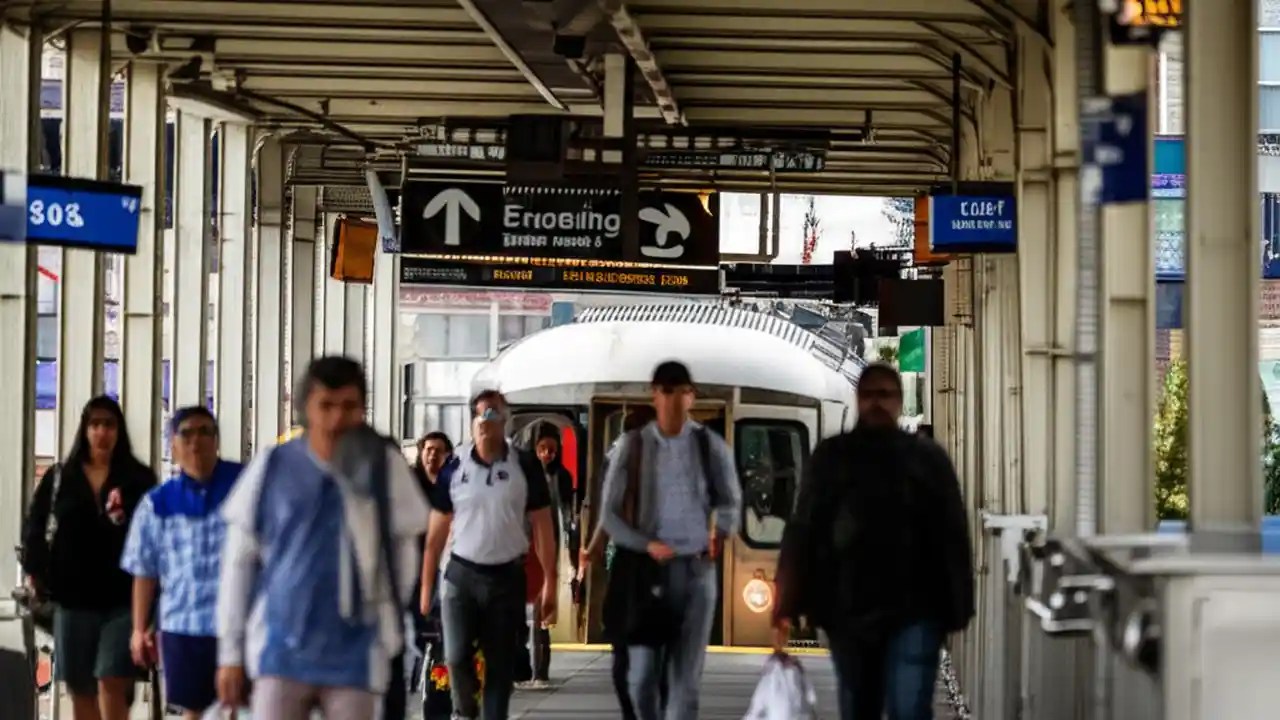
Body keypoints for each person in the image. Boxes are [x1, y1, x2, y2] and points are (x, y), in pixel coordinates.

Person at [215, 356, 430, 719]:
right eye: (325, 406)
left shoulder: (383, 466)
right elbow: (239, 564)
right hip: (281, 646)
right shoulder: (272, 467)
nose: (335, 419)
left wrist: (384, 611)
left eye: (348, 407)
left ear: (363, 409)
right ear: (305, 408)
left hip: (355, 649)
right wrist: (230, 655)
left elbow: (405, 550)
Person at [771, 363, 975, 720]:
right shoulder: (832, 459)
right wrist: (786, 602)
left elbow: (952, 534)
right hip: (849, 610)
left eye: (884, 395)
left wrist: (958, 605)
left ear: (898, 402)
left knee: (907, 708)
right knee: (860, 707)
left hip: (916, 608)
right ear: (858, 399)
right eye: (869, 395)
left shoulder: (927, 461)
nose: (876, 403)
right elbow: (803, 530)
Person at [599, 361, 742, 720]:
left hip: (696, 572)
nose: (673, 399)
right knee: (641, 677)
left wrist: (720, 530)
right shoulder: (633, 446)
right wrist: (646, 544)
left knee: (684, 683)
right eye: (665, 390)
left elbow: (730, 499)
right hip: (649, 573)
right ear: (654, 395)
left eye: (680, 391)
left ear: (690, 397)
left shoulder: (710, 446)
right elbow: (609, 515)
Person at [419, 389, 558, 720]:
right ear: (471, 423)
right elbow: (435, 534)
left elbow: (543, 528)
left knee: (499, 667)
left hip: (506, 578)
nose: (486, 421)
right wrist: (426, 586)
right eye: (480, 414)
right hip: (460, 577)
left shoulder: (524, 465)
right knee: (454, 656)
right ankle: (464, 712)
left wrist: (551, 583)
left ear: (504, 421)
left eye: (493, 413)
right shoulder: (455, 467)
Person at [20, 395, 157, 720]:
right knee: (80, 687)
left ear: (119, 431)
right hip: (73, 600)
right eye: (94, 424)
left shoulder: (137, 480)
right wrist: (35, 570)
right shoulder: (60, 479)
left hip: (122, 599)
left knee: (112, 677)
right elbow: (35, 526)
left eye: (108, 424)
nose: (101, 432)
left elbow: (154, 536)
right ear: (84, 430)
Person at [120, 407, 242, 720]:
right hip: (183, 626)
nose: (196, 441)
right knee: (194, 711)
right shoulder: (157, 503)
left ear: (216, 440)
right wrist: (138, 628)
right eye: (186, 433)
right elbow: (144, 570)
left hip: (239, 625)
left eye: (205, 432)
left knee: (240, 708)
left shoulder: (246, 487)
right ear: (172, 446)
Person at [579, 405, 657, 720]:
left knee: (626, 645)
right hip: (644, 560)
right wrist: (595, 545)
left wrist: (595, 545)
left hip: (636, 561)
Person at [516, 423, 578, 689]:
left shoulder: (561, 477)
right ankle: (519, 668)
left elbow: (565, 514)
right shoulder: (522, 476)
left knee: (541, 612)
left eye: (551, 450)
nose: (546, 455)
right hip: (522, 544)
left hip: (547, 546)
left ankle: (540, 670)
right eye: (542, 449)